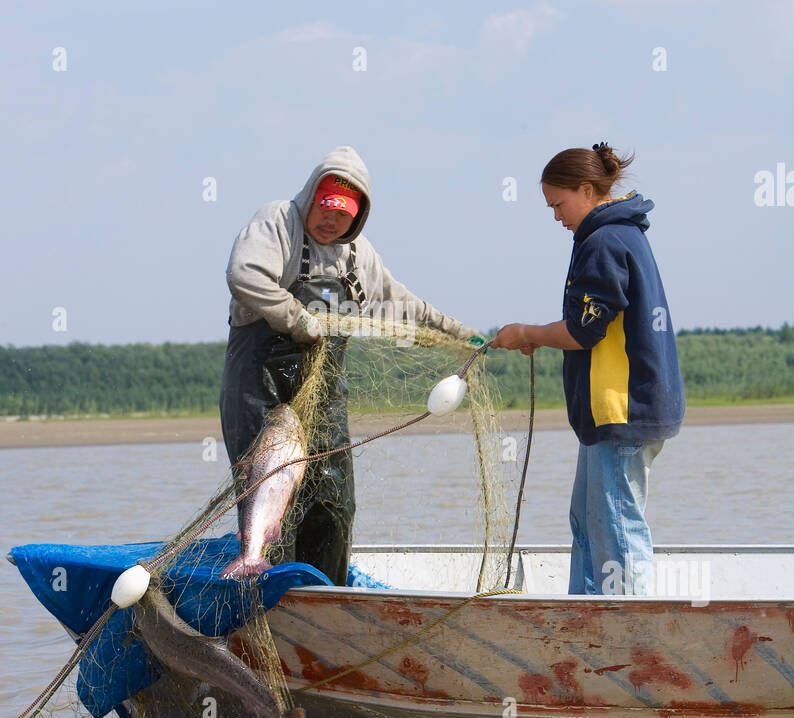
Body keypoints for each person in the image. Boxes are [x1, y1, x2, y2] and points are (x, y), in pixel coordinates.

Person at [220, 146, 477, 584]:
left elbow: (400, 304)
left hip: (324, 397)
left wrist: (457, 332)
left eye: (342, 214)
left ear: (357, 216)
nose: (330, 220)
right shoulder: (277, 222)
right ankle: (265, 594)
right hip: (261, 389)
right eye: (325, 208)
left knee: (334, 499)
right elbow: (244, 275)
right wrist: (296, 318)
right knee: (275, 498)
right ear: (311, 197)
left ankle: (323, 598)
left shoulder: (359, 256)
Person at [488, 143, 685, 595]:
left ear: (586, 188)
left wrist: (528, 333)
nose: (556, 216)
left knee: (615, 531)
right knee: (588, 524)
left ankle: (630, 638)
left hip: (620, 411)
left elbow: (583, 331)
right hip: (612, 415)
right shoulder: (622, 234)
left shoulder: (605, 241)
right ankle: (588, 622)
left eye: (559, 204)